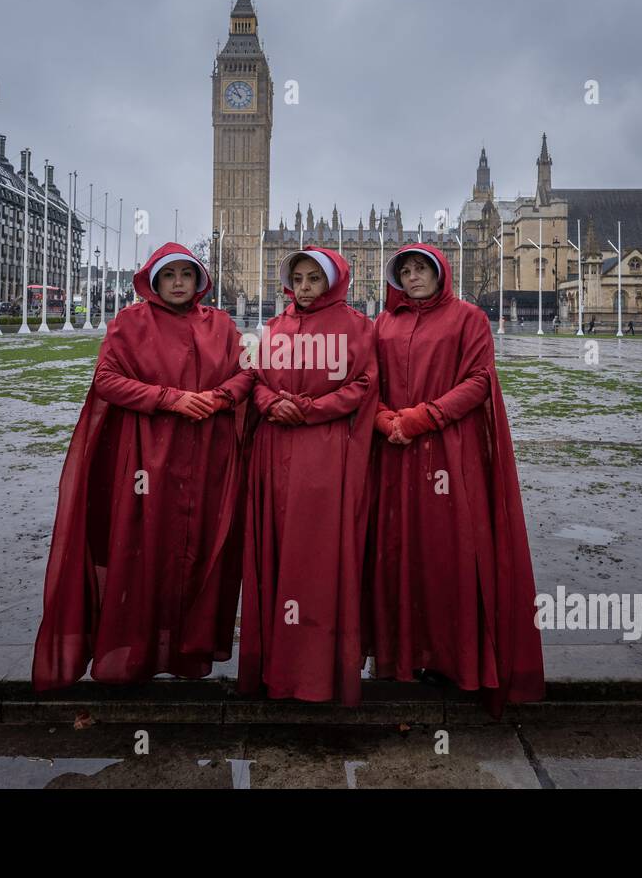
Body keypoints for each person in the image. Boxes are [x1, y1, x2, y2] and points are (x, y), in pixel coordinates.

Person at [32, 243, 252, 691]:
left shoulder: (221, 325)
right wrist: (169, 398)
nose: (176, 283)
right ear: (153, 281)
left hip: (207, 453)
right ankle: (135, 651)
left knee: (198, 548)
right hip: (147, 455)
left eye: (185, 276)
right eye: (167, 275)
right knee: (143, 547)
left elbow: (247, 372)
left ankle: (189, 650)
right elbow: (106, 380)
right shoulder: (130, 323)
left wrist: (220, 396)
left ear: (198, 282)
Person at [368, 244, 545, 717]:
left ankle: (453, 658)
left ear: (439, 271)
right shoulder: (384, 323)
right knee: (398, 550)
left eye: (420, 268)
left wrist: (421, 418)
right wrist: (386, 421)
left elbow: (479, 381)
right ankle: (400, 656)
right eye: (404, 270)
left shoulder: (468, 318)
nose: (412, 276)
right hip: (395, 453)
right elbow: (369, 384)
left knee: (450, 551)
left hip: (449, 449)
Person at [238, 247, 378, 706]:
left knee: (319, 558)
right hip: (275, 453)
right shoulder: (273, 329)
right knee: (277, 554)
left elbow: (362, 384)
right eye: (297, 278)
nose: (304, 286)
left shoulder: (357, 327)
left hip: (326, 455)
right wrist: (270, 403)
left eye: (314, 278)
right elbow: (254, 379)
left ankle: (319, 670)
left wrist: (314, 410)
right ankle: (278, 668)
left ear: (333, 281)